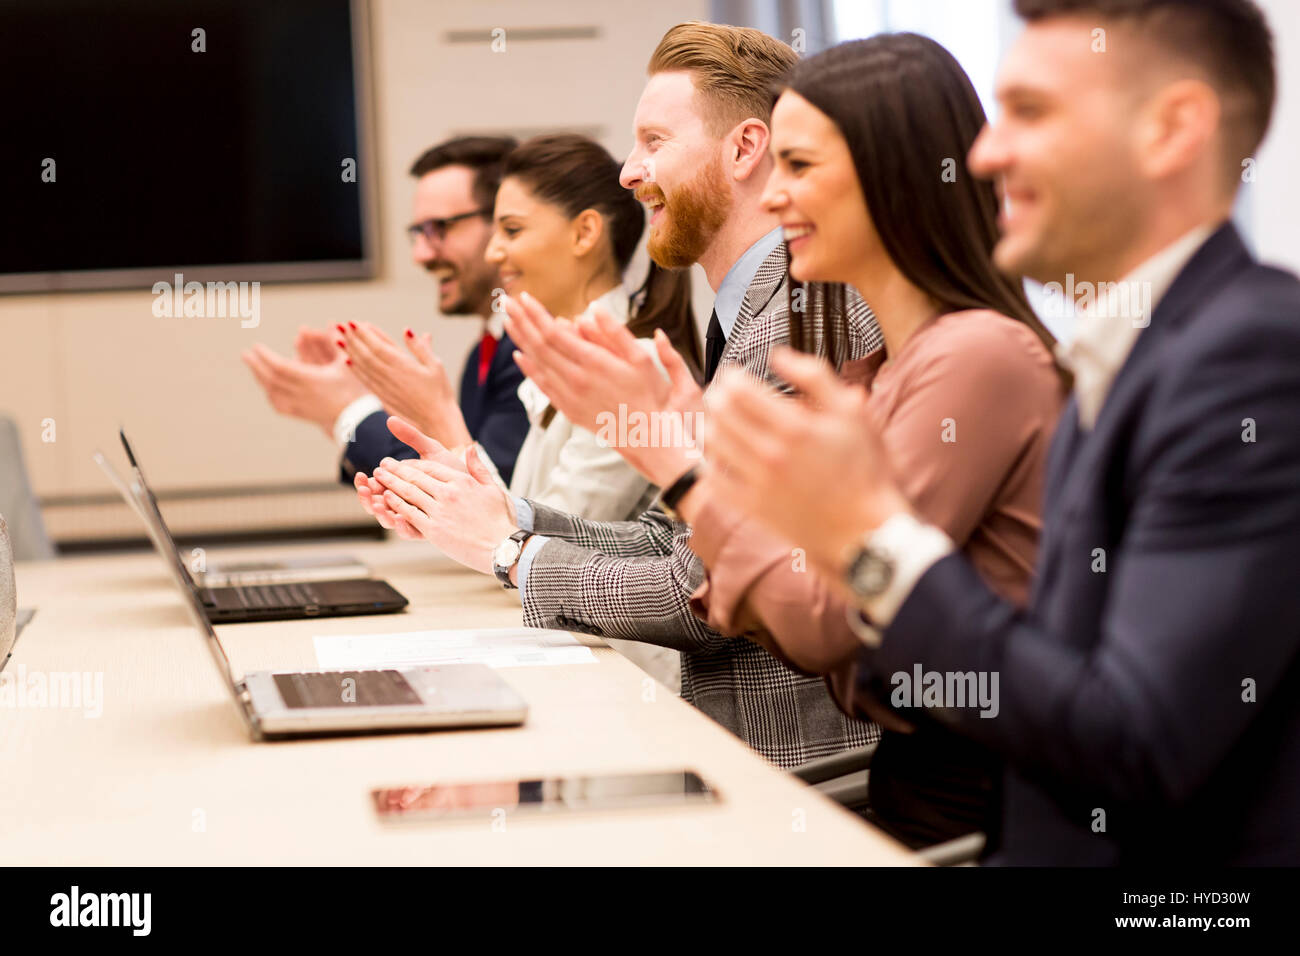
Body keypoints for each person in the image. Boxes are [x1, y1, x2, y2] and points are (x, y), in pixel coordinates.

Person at [704, 0, 1300, 864]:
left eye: (1031, 112)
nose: (985, 154)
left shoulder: (1246, 358)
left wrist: (870, 543)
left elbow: (1133, 739)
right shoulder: (1130, 357)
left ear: (1173, 130)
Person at [498, 33, 1068, 849]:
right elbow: (808, 614)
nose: (773, 200)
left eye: (802, 170)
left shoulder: (969, 355)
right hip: (887, 790)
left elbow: (812, 622)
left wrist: (677, 458)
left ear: (888, 179)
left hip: (923, 817)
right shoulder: (882, 361)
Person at [355, 21, 884, 767]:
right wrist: (510, 517)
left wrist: (512, 553)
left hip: (793, 774)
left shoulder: (801, 319)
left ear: (744, 149)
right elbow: (676, 544)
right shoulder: (749, 315)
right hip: (733, 750)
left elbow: (698, 596)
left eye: (655, 141)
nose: (631, 172)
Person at [242, 136, 532, 486]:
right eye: (418, 233)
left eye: (439, 228)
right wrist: (346, 411)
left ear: (504, 224)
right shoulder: (482, 355)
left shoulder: (532, 346)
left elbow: (492, 494)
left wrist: (349, 410)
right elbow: (460, 475)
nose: (421, 255)